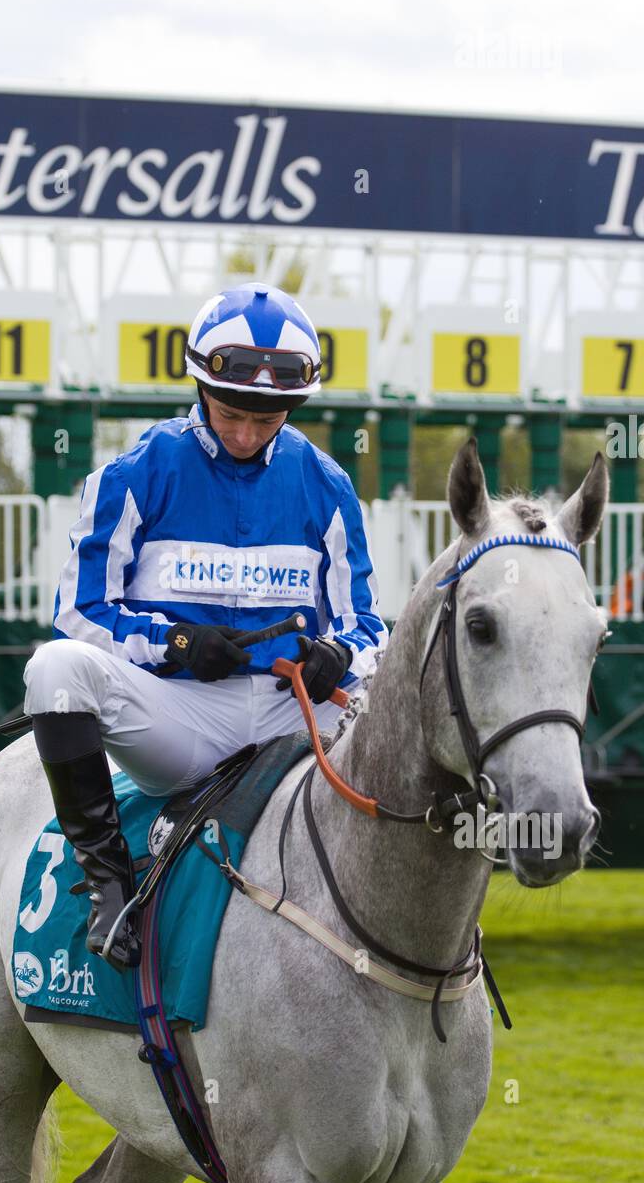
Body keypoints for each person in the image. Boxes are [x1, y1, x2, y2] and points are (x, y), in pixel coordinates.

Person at [23, 282, 388, 970]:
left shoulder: (329, 485)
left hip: (293, 722)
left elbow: (368, 623)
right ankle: (106, 879)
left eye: (268, 416)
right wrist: (175, 643)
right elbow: (78, 613)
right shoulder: (135, 473)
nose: (247, 433)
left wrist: (339, 653)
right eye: (230, 413)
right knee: (53, 671)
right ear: (199, 389)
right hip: (182, 719)